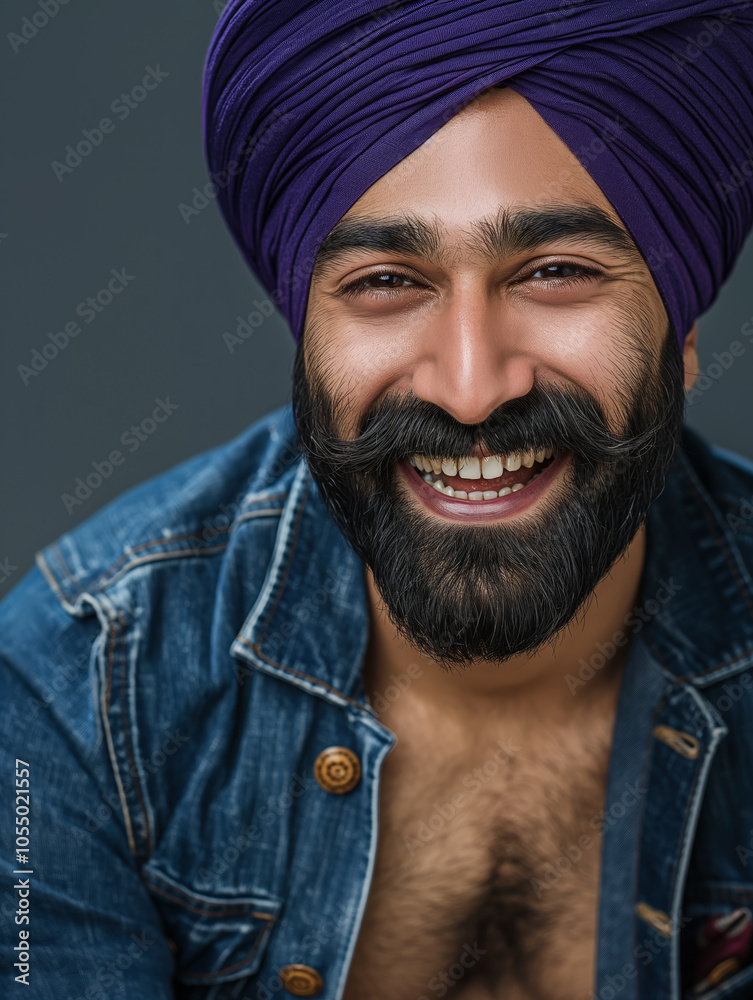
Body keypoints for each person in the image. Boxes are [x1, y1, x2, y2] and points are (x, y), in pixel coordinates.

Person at [3, 2, 753, 998]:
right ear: (302, 329)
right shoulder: (76, 699)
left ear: (683, 324)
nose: (472, 386)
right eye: (389, 281)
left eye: (558, 272)